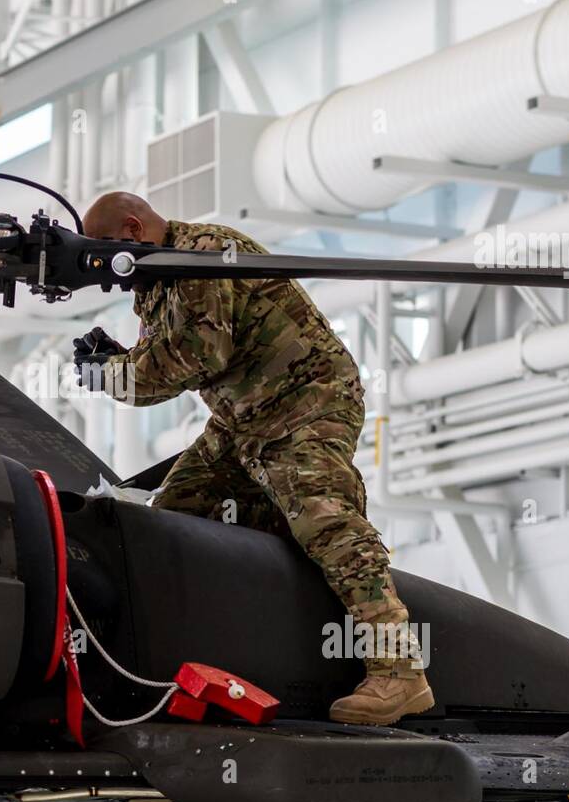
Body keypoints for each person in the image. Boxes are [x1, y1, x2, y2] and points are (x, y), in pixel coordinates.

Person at [72, 191, 432, 725]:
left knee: (324, 522)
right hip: (244, 418)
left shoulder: (200, 258)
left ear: (132, 229)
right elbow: (163, 356)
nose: (110, 272)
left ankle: (399, 672)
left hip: (305, 403)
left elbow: (192, 358)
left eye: (108, 253)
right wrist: (119, 361)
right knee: (175, 517)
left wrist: (112, 375)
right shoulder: (158, 277)